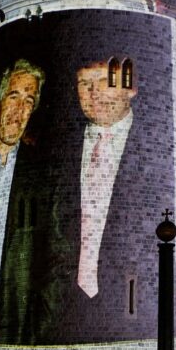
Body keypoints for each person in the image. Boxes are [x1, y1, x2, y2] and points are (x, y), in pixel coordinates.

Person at [0, 58, 46, 345]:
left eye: (29, 101)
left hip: (16, 330)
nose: (19, 109)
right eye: (13, 97)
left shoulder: (39, 178)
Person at [75, 58, 137, 298]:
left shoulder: (164, 147)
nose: (93, 93)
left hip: (122, 299)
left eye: (104, 80)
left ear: (130, 85)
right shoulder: (55, 148)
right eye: (84, 83)